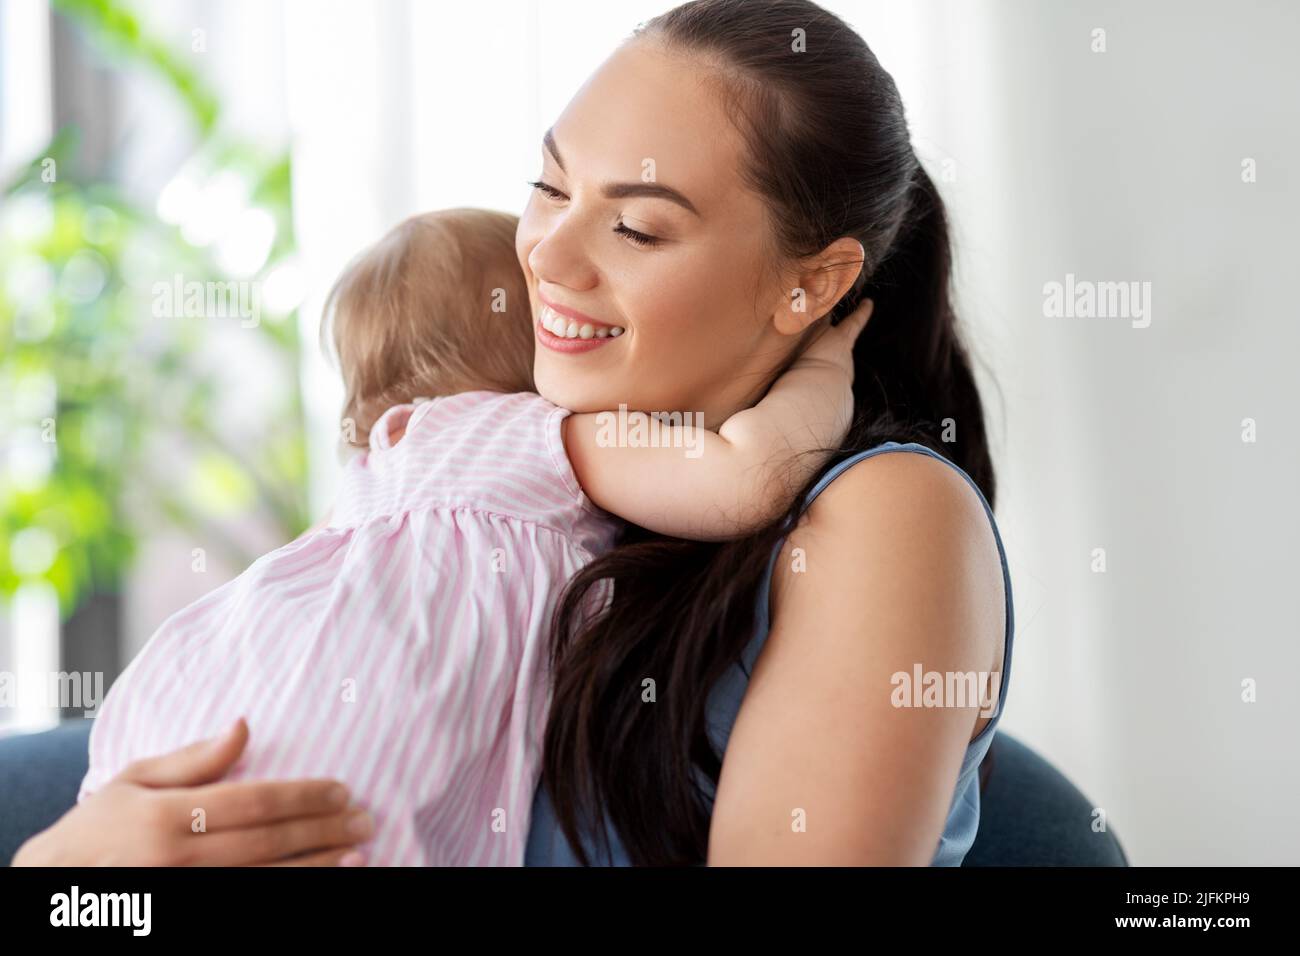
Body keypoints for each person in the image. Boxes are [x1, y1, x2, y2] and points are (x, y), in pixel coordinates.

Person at [14, 0, 1012, 867]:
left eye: (637, 226)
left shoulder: (884, 516)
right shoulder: (517, 500)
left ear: (814, 282)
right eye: (548, 188)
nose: (547, 256)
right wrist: (68, 872)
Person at [70, 206, 868, 866]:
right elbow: (747, 478)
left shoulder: (382, 467)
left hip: (189, 728)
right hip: (350, 778)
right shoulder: (531, 433)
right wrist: (825, 370)